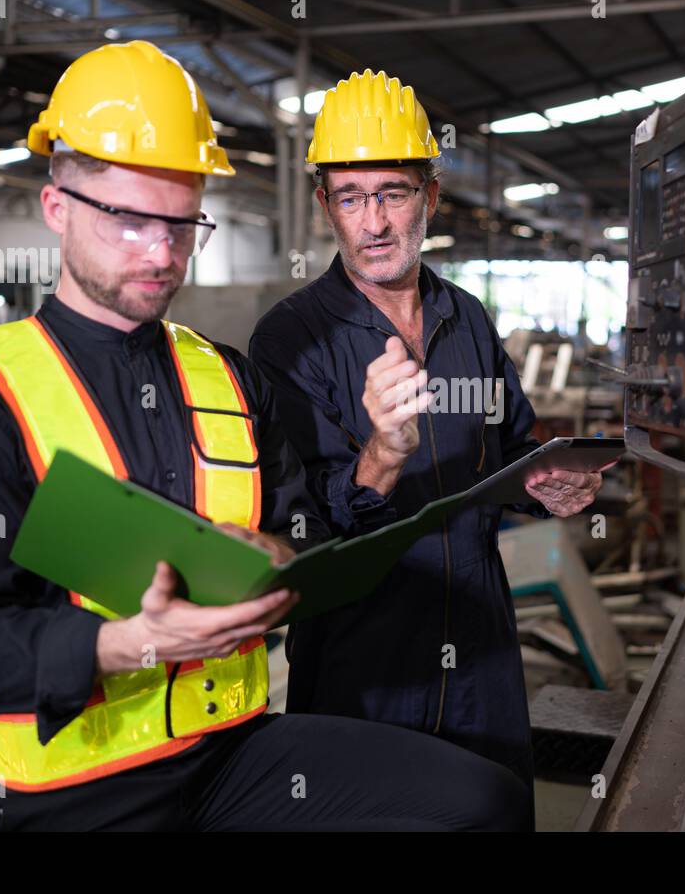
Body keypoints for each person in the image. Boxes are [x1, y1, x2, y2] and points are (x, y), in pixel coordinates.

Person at [0, 42, 530, 831]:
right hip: (79, 796)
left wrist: (274, 557)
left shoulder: (229, 379)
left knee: (484, 803)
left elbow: (311, 533)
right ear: (56, 207)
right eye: (128, 219)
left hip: (232, 757)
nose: (161, 251)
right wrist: (122, 642)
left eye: (181, 222)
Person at [250, 70, 605, 789]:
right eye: (351, 197)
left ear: (431, 197)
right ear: (325, 206)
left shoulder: (466, 317)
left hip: (479, 644)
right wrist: (381, 455)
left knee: (494, 804)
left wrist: (550, 486)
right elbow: (298, 531)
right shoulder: (290, 339)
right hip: (363, 661)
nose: (374, 222)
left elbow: (511, 449)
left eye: (394, 193)